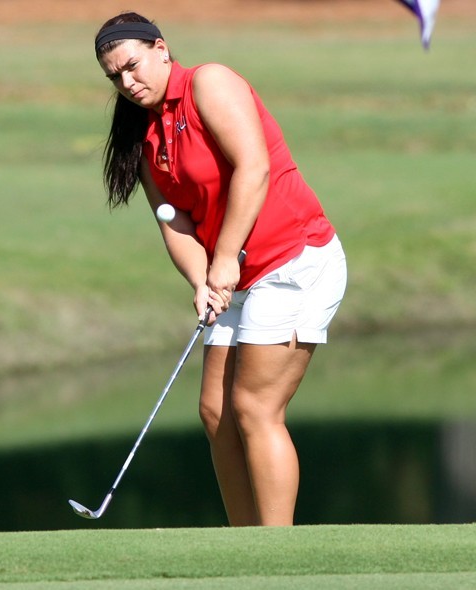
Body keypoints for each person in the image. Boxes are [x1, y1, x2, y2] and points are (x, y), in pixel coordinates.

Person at [94, 12, 347, 527]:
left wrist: (225, 258)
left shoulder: (209, 82)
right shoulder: (145, 139)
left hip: (293, 259)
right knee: (216, 413)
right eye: (115, 77)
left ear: (161, 49)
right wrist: (202, 279)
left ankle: (276, 553)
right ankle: (243, 545)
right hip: (235, 275)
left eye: (133, 66)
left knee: (255, 409)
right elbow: (175, 224)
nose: (127, 82)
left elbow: (254, 167)